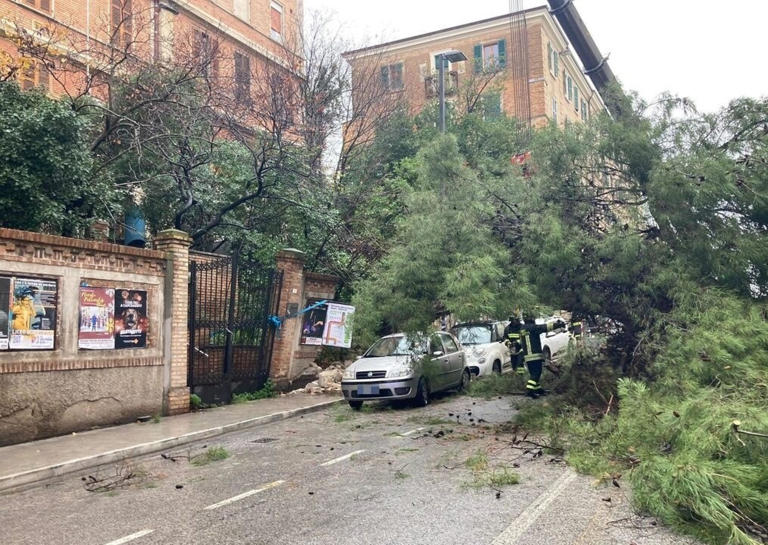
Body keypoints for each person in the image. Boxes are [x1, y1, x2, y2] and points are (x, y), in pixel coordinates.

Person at [519, 312, 566, 398]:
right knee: (537, 373)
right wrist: (557, 325)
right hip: (534, 355)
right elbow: (545, 327)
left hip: (527, 356)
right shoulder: (532, 327)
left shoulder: (523, 328)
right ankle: (529, 390)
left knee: (533, 373)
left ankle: (537, 389)